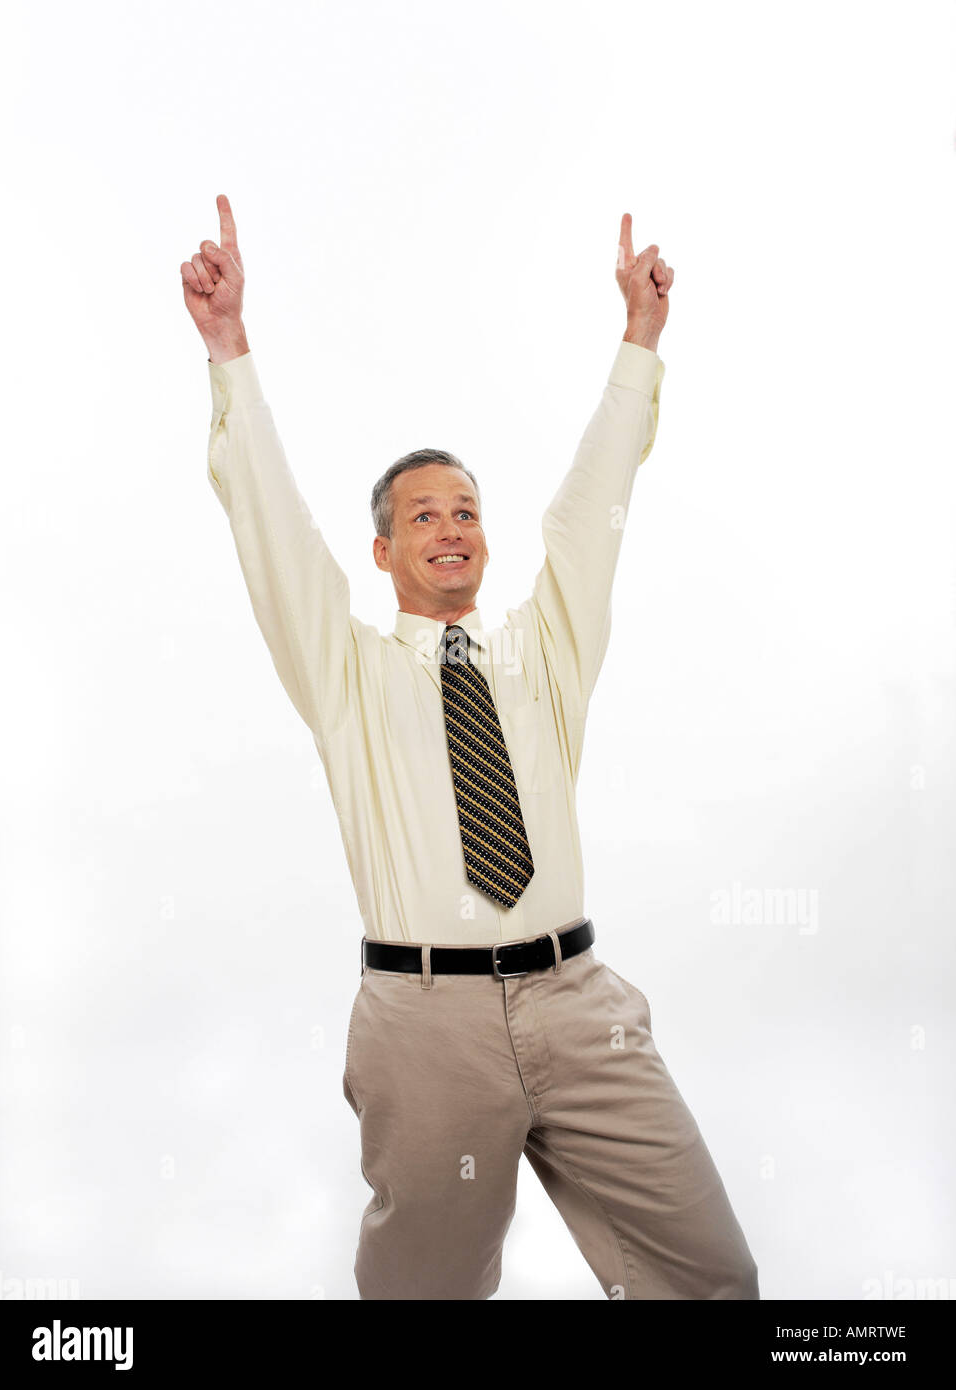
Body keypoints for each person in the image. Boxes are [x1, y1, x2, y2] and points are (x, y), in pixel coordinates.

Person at [180, 194, 759, 1301]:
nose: (452, 527)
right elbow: (271, 530)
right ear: (384, 546)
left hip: (577, 1003)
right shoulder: (347, 673)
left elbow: (591, 508)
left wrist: (638, 341)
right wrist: (229, 351)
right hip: (424, 1024)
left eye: (466, 510)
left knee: (713, 1273)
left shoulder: (541, 656)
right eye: (425, 514)